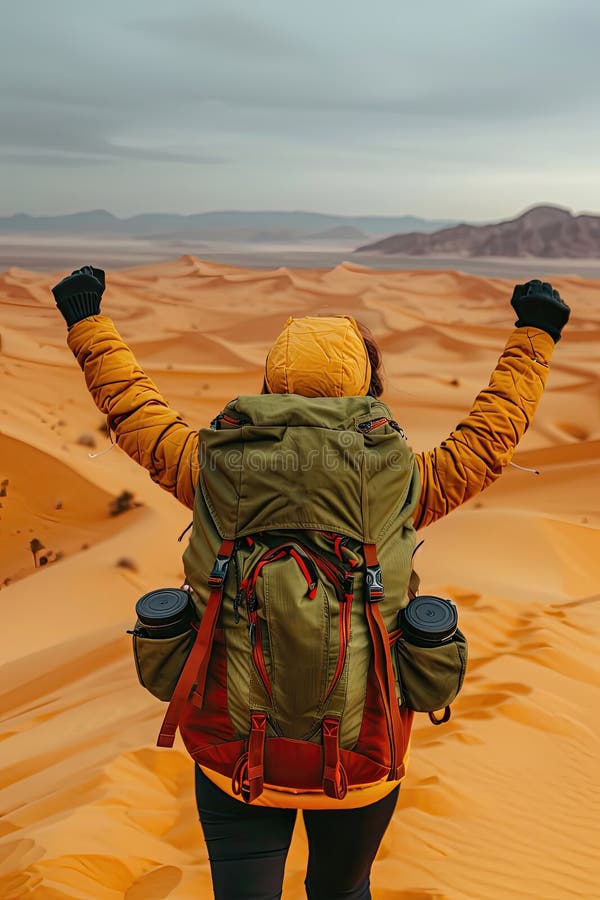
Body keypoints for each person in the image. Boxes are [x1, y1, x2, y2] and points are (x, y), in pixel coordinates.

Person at [52, 267, 569, 900]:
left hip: (232, 756)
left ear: (271, 380)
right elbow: (490, 437)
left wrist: (87, 321)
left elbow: (136, 412)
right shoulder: (401, 480)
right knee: (342, 892)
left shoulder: (212, 468)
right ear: (366, 381)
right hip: (363, 758)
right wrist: (535, 333)